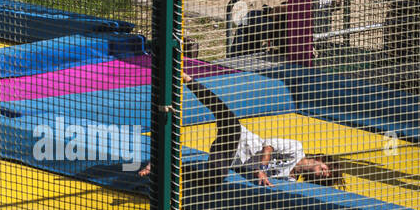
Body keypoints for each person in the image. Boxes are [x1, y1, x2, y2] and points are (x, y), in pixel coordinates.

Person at [138, 79, 345, 195]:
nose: (321, 173)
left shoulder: (288, 178)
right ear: (320, 160)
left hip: (229, 156)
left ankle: (162, 167)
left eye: (323, 178)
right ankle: (189, 81)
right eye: (325, 170)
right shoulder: (296, 148)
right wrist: (262, 171)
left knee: (213, 180)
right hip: (238, 136)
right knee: (225, 114)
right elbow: (268, 146)